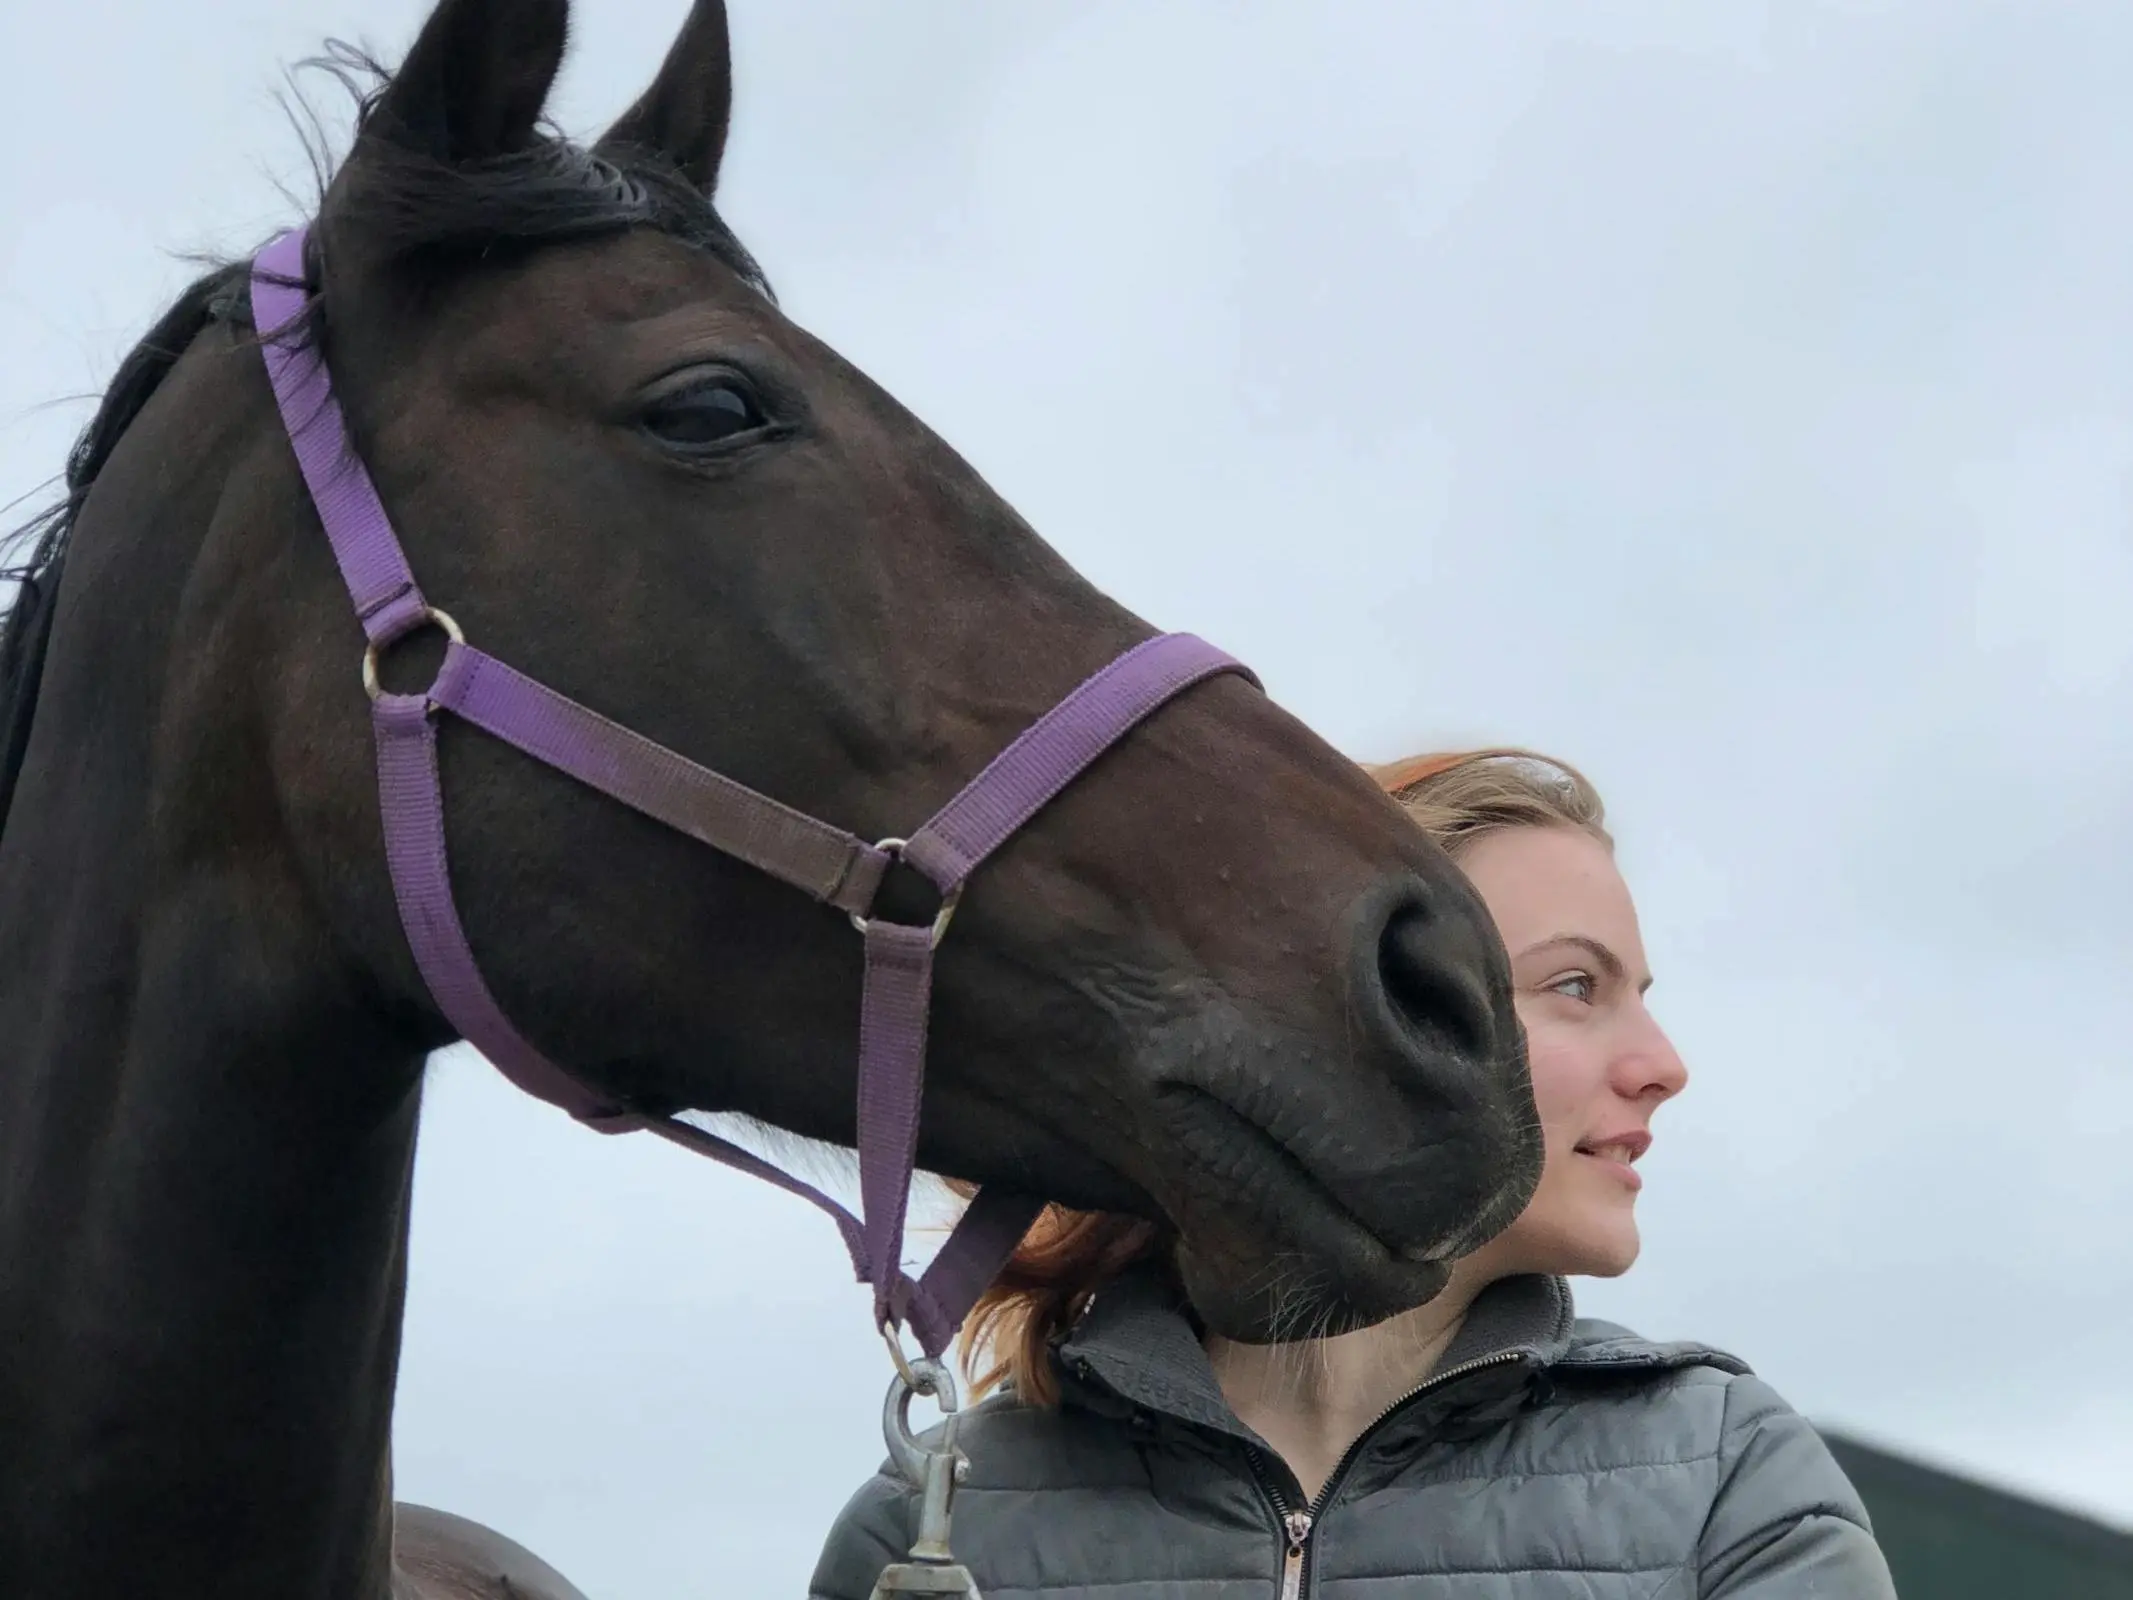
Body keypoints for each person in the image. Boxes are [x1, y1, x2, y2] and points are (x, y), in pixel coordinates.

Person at [811, 748, 1896, 1599]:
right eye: (1574, 984)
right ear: (1336, 1022)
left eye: (1639, 993)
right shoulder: (931, 1531)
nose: (1662, 1067)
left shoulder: (1728, 1480)